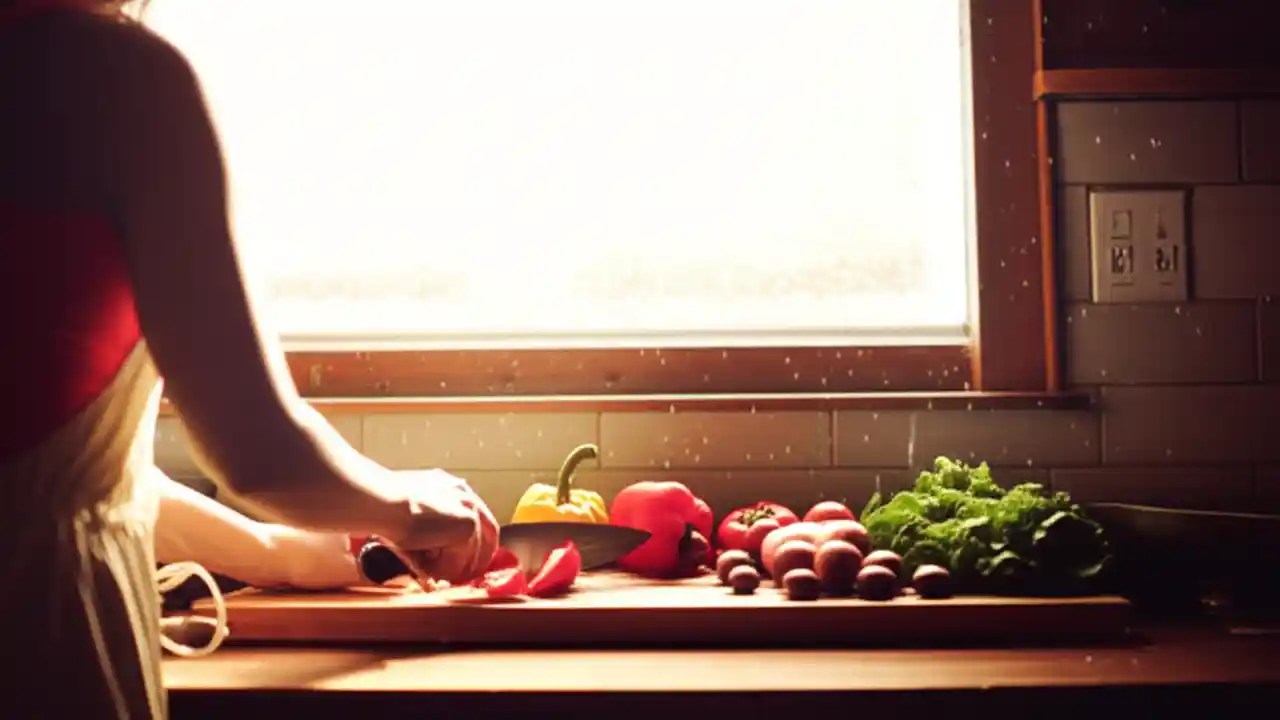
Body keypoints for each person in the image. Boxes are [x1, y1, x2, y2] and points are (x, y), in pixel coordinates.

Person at [0, 0, 500, 717]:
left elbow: (49, 480)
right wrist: (418, 510)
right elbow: (261, 453)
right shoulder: (116, 77)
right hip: (38, 651)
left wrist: (276, 552)